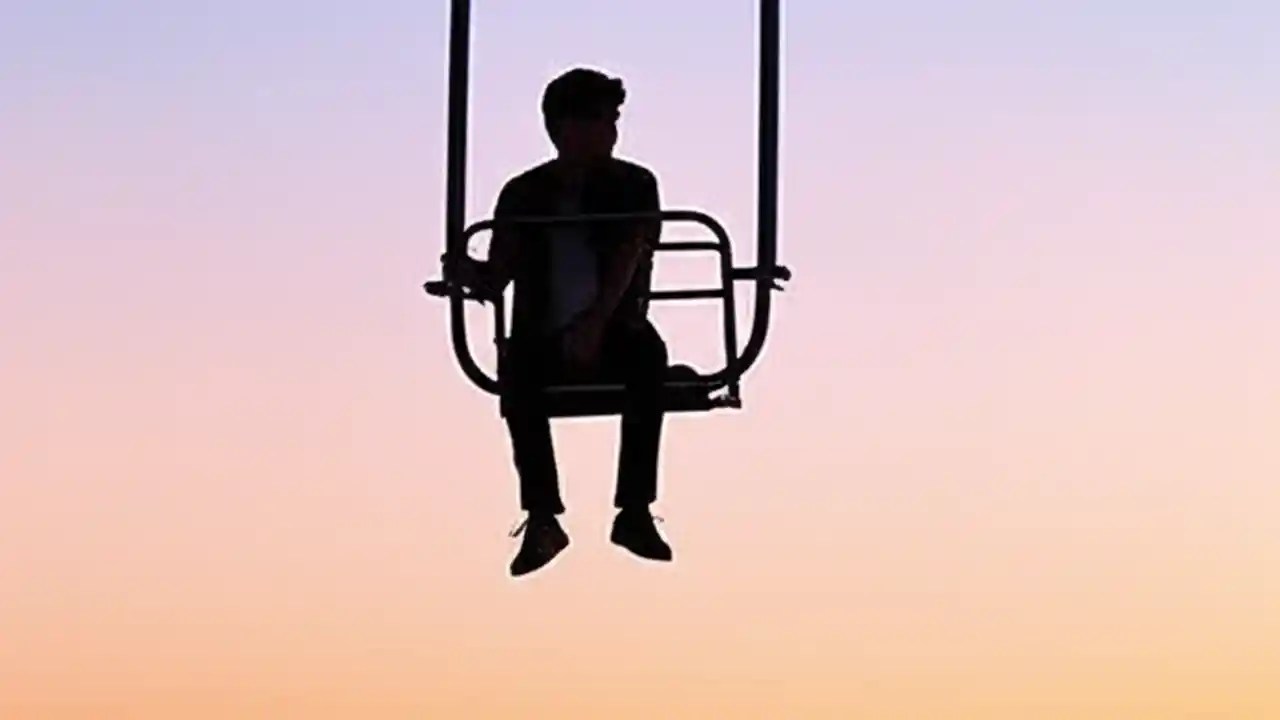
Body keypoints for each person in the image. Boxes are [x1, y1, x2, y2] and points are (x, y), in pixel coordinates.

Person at [445, 67, 673, 576]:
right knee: (517, 366)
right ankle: (542, 516)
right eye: (599, 120)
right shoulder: (525, 194)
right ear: (564, 126)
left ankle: (634, 509)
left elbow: (630, 253)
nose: (610, 132)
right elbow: (499, 275)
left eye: (613, 121)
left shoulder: (634, 184)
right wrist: (467, 274)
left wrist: (595, 323)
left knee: (646, 359)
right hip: (542, 334)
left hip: (616, 330)